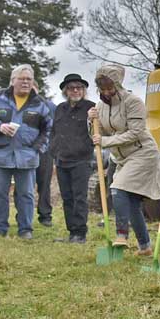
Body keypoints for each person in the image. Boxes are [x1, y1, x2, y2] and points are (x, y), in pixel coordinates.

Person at [88, 64, 160, 254]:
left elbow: (135, 133)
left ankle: (122, 234)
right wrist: (91, 122)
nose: (106, 92)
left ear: (118, 84)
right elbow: (98, 135)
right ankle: (145, 246)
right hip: (121, 157)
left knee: (118, 188)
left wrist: (105, 141)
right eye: (102, 88)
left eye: (110, 87)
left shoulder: (133, 102)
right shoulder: (100, 106)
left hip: (142, 152)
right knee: (131, 202)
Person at [0, 64, 52, 239]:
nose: (25, 82)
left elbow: (47, 130)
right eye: (22, 79)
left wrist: (36, 150)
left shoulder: (40, 104)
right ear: (12, 80)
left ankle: (25, 229)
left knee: (26, 194)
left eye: (29, 79)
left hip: (27, 157)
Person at [50, 73, 95, 243]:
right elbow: (54, 131)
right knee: (67, 197)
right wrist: (53, 150)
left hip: (81, 160)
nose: (75, 90)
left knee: (79, 198)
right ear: (65, 91)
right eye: (71, 88)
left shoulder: (91, 108)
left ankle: (80, 233)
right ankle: (72, 232)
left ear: (83, 90)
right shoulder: (60, 108)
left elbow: (97, 130)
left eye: (79, 88)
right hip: (61, 160)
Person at [33, 86, 56, 227]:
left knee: (44, 184)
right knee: (24, 186)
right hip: (25, 152)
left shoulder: (50, 106)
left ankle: (45, 216)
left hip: (45, 151)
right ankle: (22, 215)